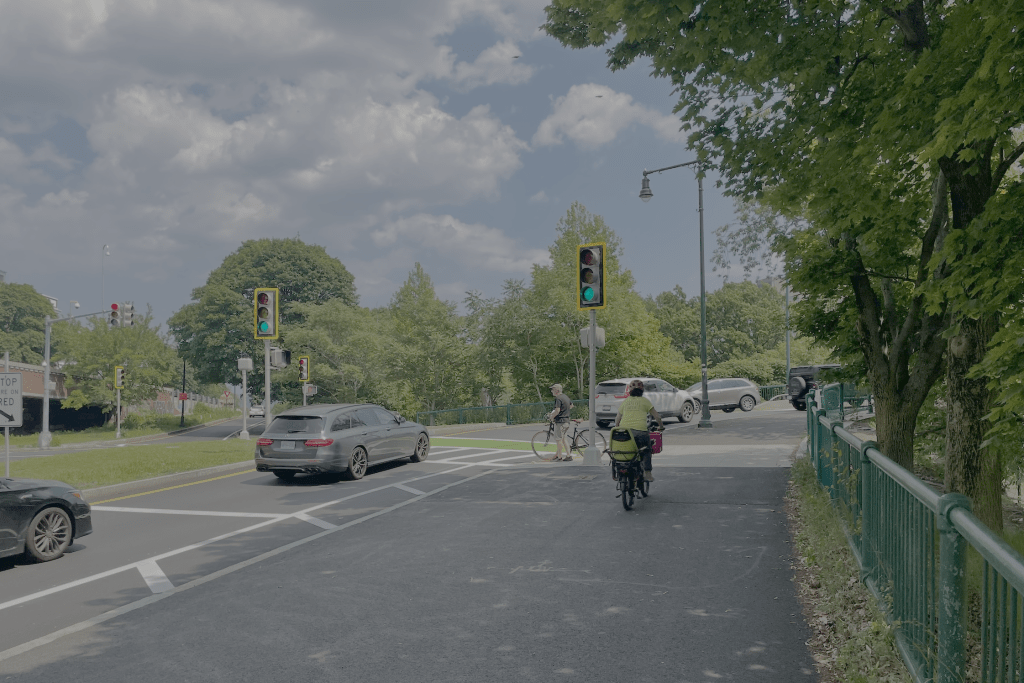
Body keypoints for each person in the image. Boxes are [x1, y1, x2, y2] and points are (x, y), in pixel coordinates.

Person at [614, 379, 664, 481]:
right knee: (646, 450)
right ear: (642, 390)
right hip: (641, 432)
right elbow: (657, 417)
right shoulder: (645, 401)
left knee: (624, 449)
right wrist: (661, 426)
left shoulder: (625, 401)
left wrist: (617, 426)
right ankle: (647, 473)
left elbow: (618, 417)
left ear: (629, 390)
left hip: (625, 432)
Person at [547, 383, 573, 461]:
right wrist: (565, 411)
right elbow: (571, 405)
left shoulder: (558, 398)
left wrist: (552, 416)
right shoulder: (566, 397)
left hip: (560, 421)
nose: (552, 391)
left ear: (556, 390)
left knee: (558, 440)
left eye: (553, 390)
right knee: (564, 439)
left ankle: (559, 456)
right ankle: (568, 455)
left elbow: (557, 410)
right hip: (566, 421)